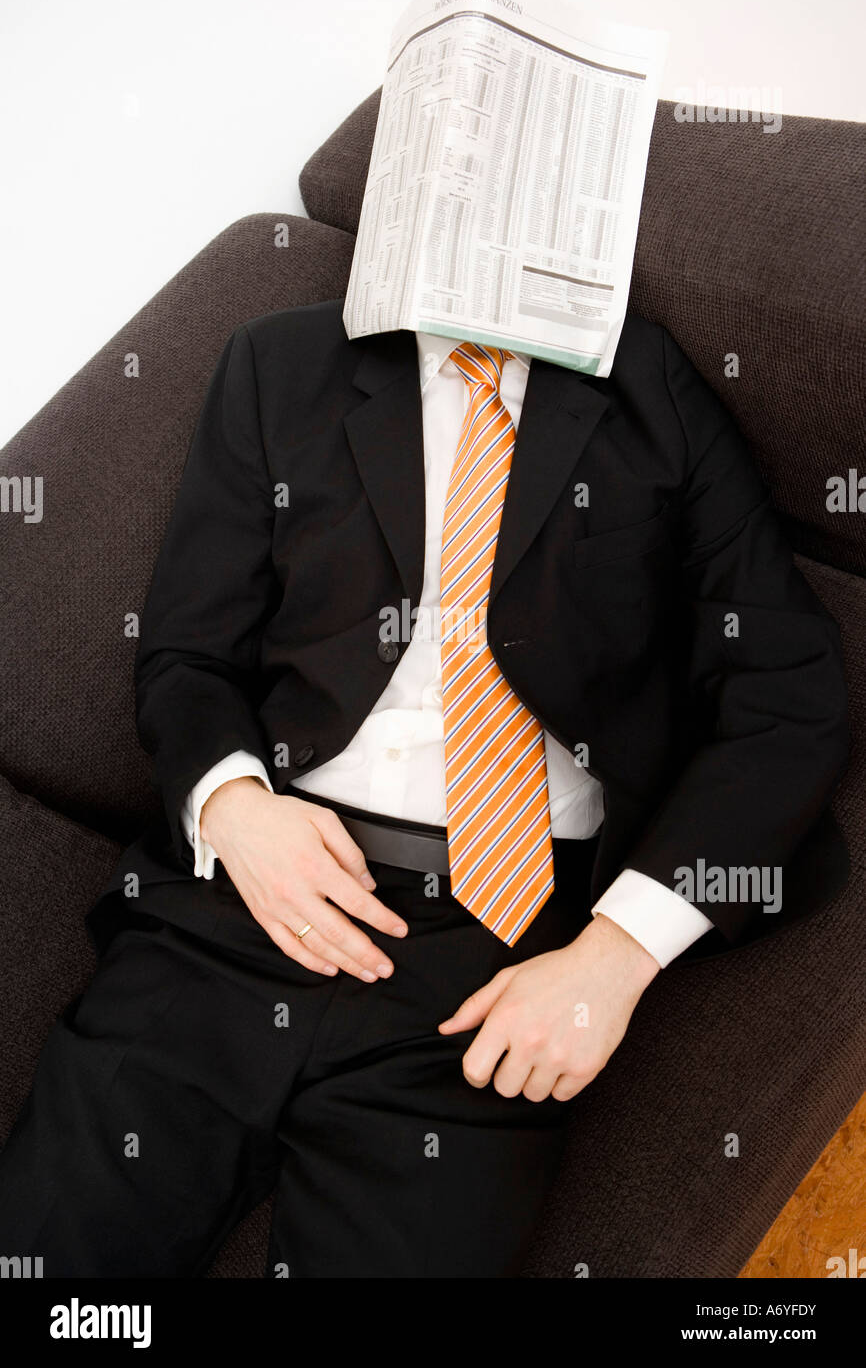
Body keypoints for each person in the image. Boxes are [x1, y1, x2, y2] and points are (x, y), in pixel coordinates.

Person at [0, 301, 849, 1277]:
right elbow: (188, 656)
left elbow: (787, 698)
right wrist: (233, 809)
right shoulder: (280, 365)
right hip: (244, 901)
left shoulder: (645, 382)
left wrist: (614, 957)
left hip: (498, 962)